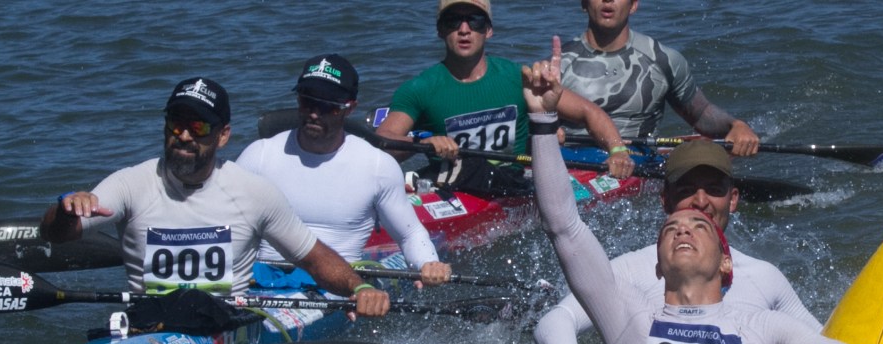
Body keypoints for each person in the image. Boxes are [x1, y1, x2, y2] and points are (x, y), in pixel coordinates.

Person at [524, 38, 879, 344]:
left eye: (711, 193)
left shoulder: (764, 309)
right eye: (676, 217)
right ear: (659, 263)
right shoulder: (629, 304)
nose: (695, 209)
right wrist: (542, 121)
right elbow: (564, 226)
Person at [40, 77, 389, 317]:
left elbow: (313, 258)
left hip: (223, 323)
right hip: (145, 325)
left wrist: (358, 289)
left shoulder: (253, 193)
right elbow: (57, 234)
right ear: (165, 127)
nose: (186, 137)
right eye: (177, 124)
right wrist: (66, 211)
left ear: (222, 136)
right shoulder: (130, 184)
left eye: (199, 128)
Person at [534, 136, 822, 344]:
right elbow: (555, 321)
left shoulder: (765, 277)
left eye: (713, 189)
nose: (701, 202)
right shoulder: (631, 271)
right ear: (665, 200)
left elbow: (823, 343)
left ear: (733, 199)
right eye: (686, 190)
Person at [237, 54, 452, 288]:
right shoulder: (258, 156)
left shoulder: (377, 166)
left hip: (339, 285)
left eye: (327, 105)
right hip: (263, 278)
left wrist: (428, 263)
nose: (314, 113)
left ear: (350, 108)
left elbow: (409, 235)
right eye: (307, 101)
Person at [375, 0, 636, 183]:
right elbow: (382, 142)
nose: (464, 29)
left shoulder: (517, 77)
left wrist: (617, 151)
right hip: (456, 184)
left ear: (488, 31)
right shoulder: (419, 89)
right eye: (453, 21)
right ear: (441, 30)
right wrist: (424, 143)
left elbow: (589, 112)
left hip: (516, 181)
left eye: (474, 21)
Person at [560, 0, 761, 157]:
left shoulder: (663, 60)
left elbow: (700, 115)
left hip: (636, 160)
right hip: (571, 160)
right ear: (583, 3)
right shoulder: (558, 65)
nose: (608, 0)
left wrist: (735, 126)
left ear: (634, 5)